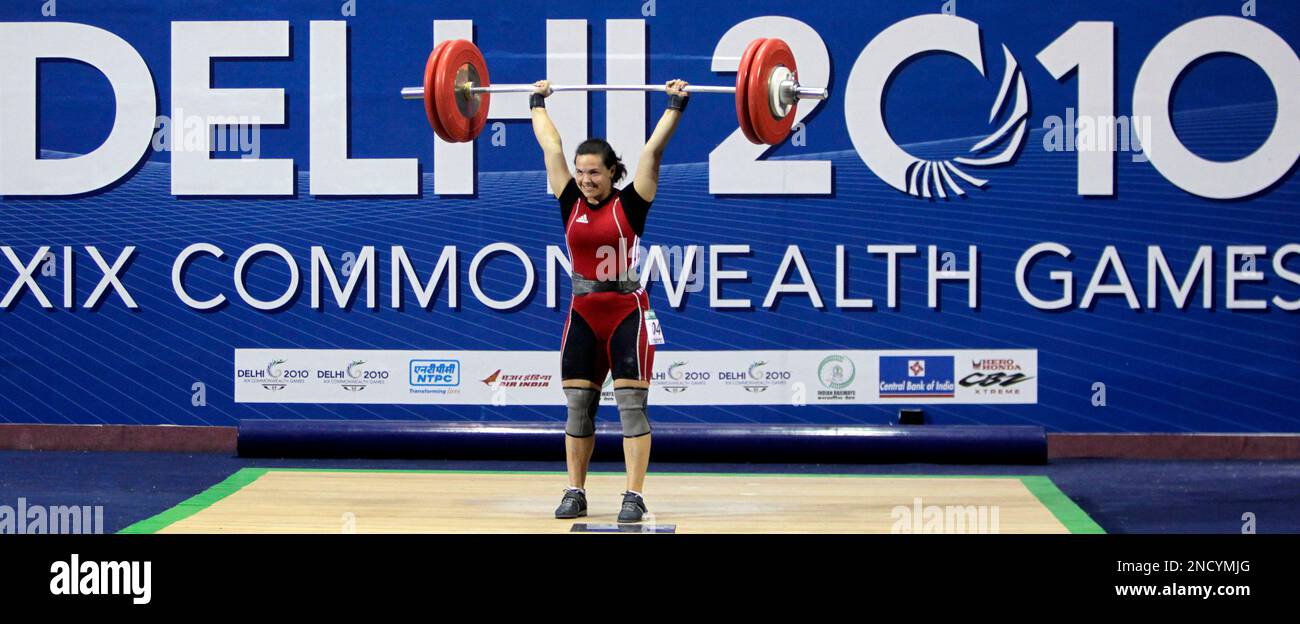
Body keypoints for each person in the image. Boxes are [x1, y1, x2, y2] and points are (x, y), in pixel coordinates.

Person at [530, 78, 688, 523]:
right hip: (582, 314)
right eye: (580, 172)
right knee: (579, 407)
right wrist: (537, 102)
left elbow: (651, 154)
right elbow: (551, 147)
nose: (584, 179)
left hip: (626, 314)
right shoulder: (569, 201)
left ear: (611, 171)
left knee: (631, 407)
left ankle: (633, 496)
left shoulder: (632, 204)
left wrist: (674, 106)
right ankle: (575, 490)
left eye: (594, 172)